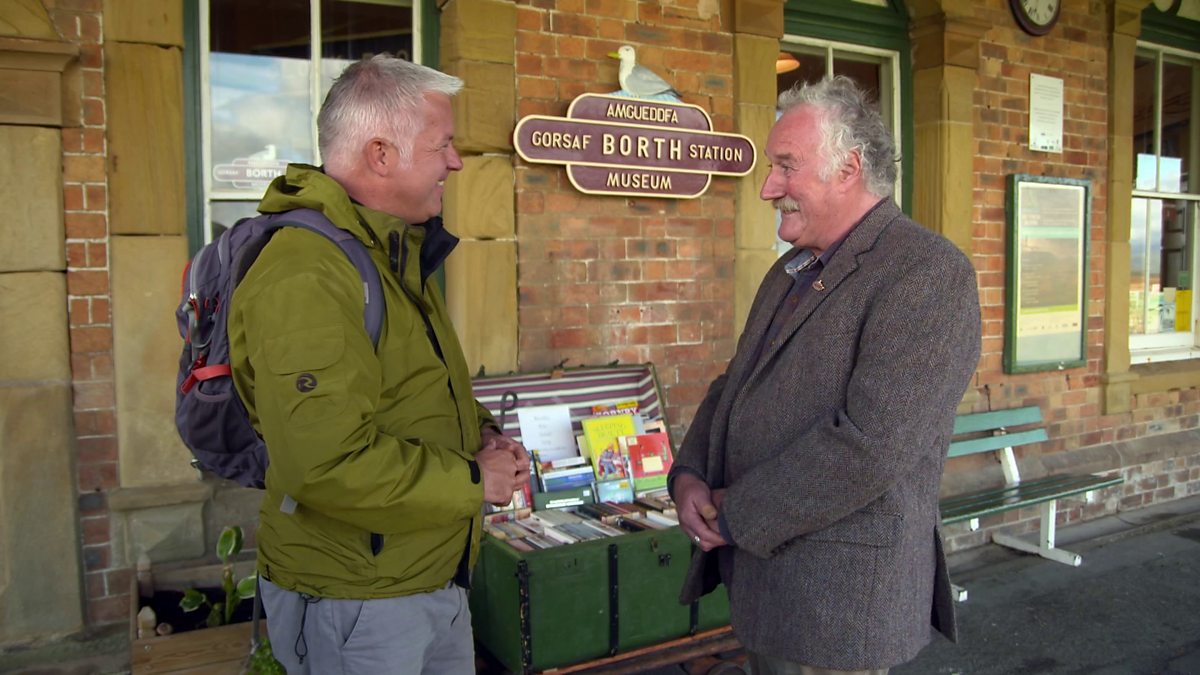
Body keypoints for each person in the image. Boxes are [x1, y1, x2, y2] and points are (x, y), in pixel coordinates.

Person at [227, 54, 530, 674]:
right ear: (381, 154)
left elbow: (411, 388)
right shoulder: (309, 271)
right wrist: (476, 481)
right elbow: (325, 463)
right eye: (442, 144)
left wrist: (484, 435)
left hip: (423, 577)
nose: (456, 161)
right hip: (356, 600)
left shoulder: (391, 250)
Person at [668, 76, 981, 675]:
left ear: (848, 168)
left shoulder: (928, 271)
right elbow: (735, 384)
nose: (767, 188)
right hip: (766, 586)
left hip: (840, 608)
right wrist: (689, 476)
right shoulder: (791, 268)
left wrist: (734, 514)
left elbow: (872, 445)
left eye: (787, 166)